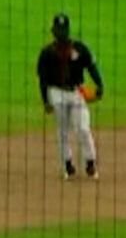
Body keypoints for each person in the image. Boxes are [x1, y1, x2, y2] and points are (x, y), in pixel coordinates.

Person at [36, 13, 104, 181]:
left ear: (67, 30)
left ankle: (91, 161)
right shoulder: (46, 53)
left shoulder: (79, 49)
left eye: (63, 29)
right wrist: (45, 101)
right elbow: (43, 81)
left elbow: (92, 66)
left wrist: (100, 85)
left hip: (76, 92)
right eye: (58, 29)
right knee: (62, 131)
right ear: (53, 31)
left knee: (83, 128)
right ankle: (67, 164)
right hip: (56, 93)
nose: (61, 32)